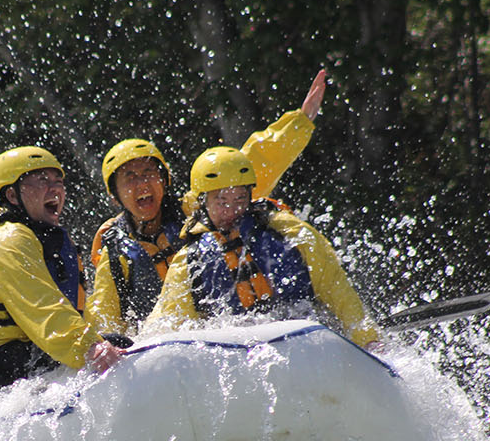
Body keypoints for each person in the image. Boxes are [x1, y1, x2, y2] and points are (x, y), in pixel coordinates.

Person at [88, 70, 330, 336]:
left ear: (165, 180)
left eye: (148, 174)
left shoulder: (196, 209)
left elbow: (251, 166)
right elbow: (103, 320)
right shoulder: (114, 251)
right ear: (115, 196)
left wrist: (300, 122)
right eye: (130, 178)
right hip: (158, 342)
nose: (142, 184)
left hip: (213, 333)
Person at [145, 147, 380, 347]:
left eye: (239, 199)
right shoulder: (190, 259)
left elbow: (336, 287)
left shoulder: (287, 231)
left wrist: (366, 337)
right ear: (202, 201)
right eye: (221, 201)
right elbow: (166, 320)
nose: (232, 210)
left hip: (308, 340)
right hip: (240, 354)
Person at [0, 146, 125, 406]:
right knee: (102, 345)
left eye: (58, 181)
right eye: (42, 181)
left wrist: (97, 341)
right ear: (12, 194)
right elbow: (41, 305)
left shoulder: (50, 240)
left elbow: (74, 313)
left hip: (28, 354)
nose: (55, 189)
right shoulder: (4, 238)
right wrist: (90, 348)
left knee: (114, 340)